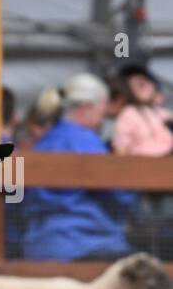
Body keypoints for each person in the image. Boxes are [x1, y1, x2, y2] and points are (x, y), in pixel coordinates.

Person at [21, 73, 139, 261]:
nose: (102, 119)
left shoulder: (45, 141)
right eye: (102, 110)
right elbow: (118, 194)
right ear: (86, 108)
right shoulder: (84, 141)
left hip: (39, 245)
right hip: (84, 244)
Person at [111, 62, 173, 157]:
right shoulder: (128, 113)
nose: (138, 89)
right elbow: (120, 149)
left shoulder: (164, 113)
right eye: (131, 86)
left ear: (154, 85)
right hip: (142, 166)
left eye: (142, 84)